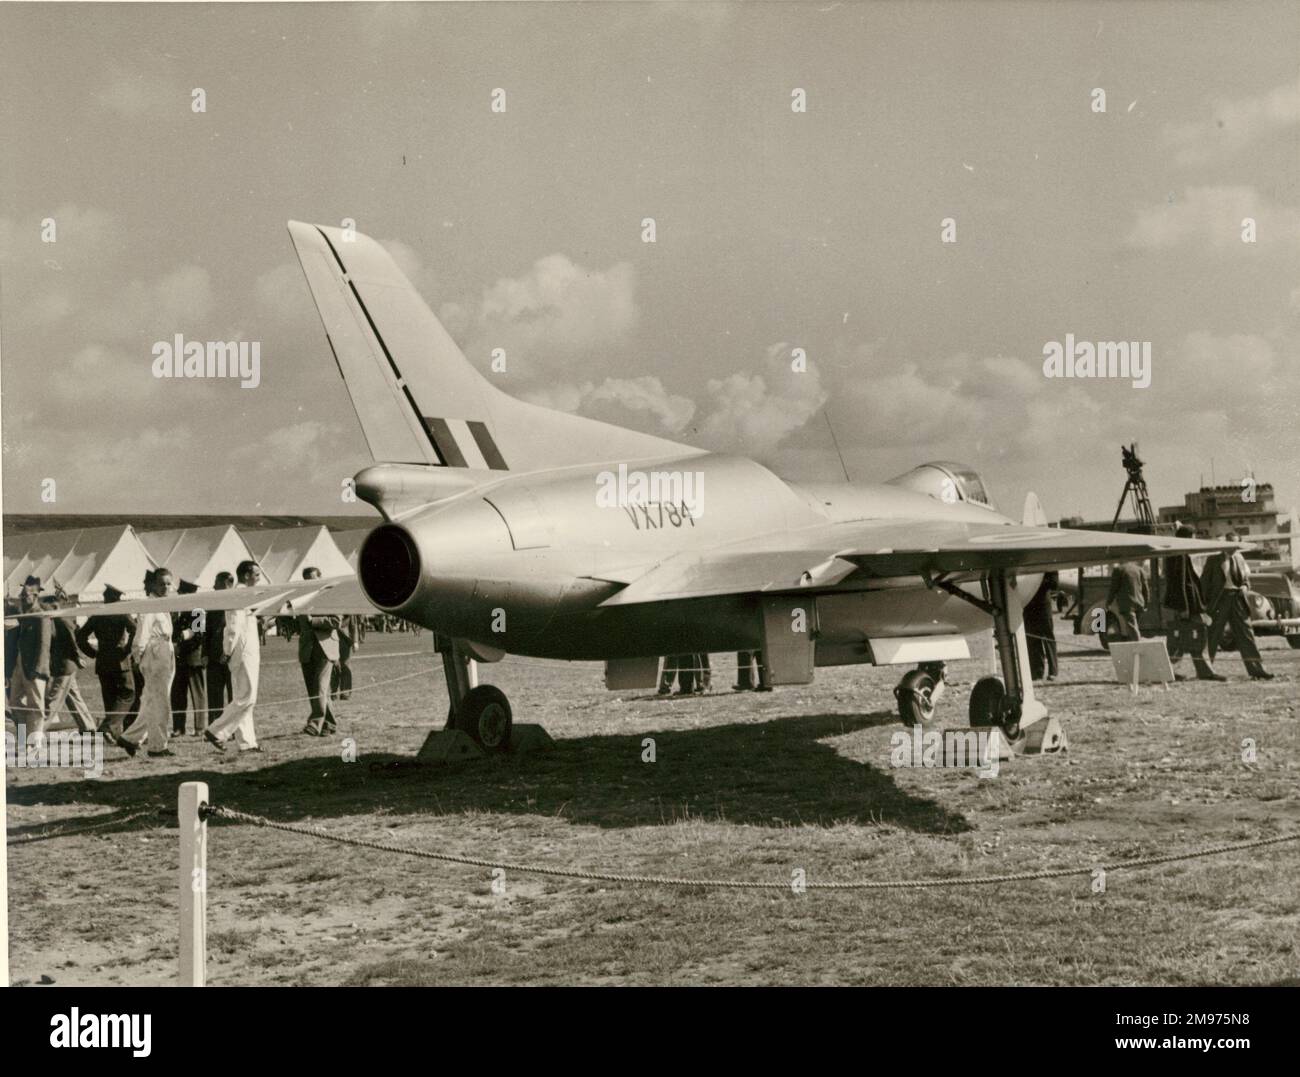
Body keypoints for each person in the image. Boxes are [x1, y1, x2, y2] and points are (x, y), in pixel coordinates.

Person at [206, 560, 264, 753]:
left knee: (244, 696)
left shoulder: (246, 594)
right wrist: (228, 650)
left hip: (246, 650)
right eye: (256, 574)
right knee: (247, 697)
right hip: (243, 651)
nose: (259, 578)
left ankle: (247, 742)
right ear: (246, 575)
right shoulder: (239, 595)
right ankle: (216, 730)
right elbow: (232, 628)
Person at [120, 567, 177, 758]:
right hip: (154, 655)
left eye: (168, 583)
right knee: (160, 702)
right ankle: (157, 746)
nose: (165, 587)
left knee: (151, 701)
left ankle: (130, 738)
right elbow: (141, 635)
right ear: (153, 585)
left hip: (165, 652)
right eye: (161, 584)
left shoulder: (163, 605)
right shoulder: (149, 606)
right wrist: (139, 657)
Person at [1205, 533, 1273, 680]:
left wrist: (1245, 587)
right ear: (1225, 544)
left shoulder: (1240, 559)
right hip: (1220, 601)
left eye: (1236, 545)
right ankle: (1206, 670)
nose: (1233, 548)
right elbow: (1205, 584)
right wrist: (1205, 606)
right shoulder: (1213, 560)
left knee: (1247, 635)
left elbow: (1247, 580)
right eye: (1231, 544)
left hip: (1238, 600)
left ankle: (1257, 669)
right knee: (1213, 635)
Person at [76, 583, 137, 745]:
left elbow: (81, 636)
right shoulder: (121, 612)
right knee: (127, 694)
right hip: (120, 661)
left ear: (106, 598)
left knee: (109, 699)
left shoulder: (97, 614)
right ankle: (108, 728)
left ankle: (113, 735)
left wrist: (93, 653)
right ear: (117, 598)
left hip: (103, 661)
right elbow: (135, 629)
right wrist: (127, 649)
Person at [1163, 525, 1225, 682]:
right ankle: (1199, 671)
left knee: (1184, 638)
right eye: (1192, 536)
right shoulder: (1180, 554)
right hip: (1186, 606)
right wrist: (1184, 607)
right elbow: (1180, 582)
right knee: (1195, 637)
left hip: (1185, 605)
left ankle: (1172, 671)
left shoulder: (1176, 553)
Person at [9, 575, 53, 757]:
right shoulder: (22, 616)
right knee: (14, 702)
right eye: (21, 596)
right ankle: (22, 741)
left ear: (35, 596)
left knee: (36, 705)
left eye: (25, 596)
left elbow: (44, 644)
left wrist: (38, 669)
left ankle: (34, 745)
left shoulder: (41, 616)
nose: (22, 599)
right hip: (18, 666)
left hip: (34, 668)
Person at [296, 567, 342, 736]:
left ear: (321, 578)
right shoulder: (300, 597)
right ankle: (329, 724)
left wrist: (313, 620)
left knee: (320, 687)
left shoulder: (330, 595)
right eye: (307, 579)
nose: (310, 582)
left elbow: (337, 620)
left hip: (326, 648)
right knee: (314, 689)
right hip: (307, 648)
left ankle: (315, 724)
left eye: (313, 579)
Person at [46, 592, 97, 733]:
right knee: (73, 697)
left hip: (65, 667)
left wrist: (77, 658)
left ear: (54, 605)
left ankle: (35, 731)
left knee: (52, 701)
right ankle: (89, 728)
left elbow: (71, 641)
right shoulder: (55, 620)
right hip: (62, 666)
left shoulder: (61, 620)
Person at [170, 580, 209, 735]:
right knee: (177, 694)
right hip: (178, 658)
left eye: (182, 592)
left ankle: (200, 728)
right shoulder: (175, 609)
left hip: (193, 657)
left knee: (197, 694)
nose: (180, 595)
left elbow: (198, 633)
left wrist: (181, 637)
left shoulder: (198, 610)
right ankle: (179, 727)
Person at [203, 571, 235, 732]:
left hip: (231, 658)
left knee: (233, 695)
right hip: (213, 658)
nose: (214, 586)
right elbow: (204, 631)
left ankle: (231, 727)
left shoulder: (236, 602)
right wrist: (204, 654)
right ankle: (214, 727)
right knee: (214, 696)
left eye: (217, 582)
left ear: (226, 584)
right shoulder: (209, 604)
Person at [1025, 571, 1059, 681]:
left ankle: (1053, 671)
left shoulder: (1048, 564)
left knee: (1047, 637)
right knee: (1032, 638)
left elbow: (1054, 583)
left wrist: (1034, 583)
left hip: (1043, 603)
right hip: (1028, 604)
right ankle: (1036, 672)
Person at [1106, 560, 1149, 642]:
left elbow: (1113, 589)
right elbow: (1146, 589)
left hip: (1127, 604)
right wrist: (1146, 603)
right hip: (1140, 603)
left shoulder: (1118, 570)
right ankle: (1132, 644)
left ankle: (1138, 646)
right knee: (1132, 626)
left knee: (1131, 626)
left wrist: (1108, 602)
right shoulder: (1139, 569)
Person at [331, 614, 355, 701]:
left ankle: (345, 692)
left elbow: (353, 626)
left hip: (345, 641)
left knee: (345, 666)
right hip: (332, 640)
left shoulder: (348, 609)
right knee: (333, 666)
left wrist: (355, 641)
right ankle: (333, 692)